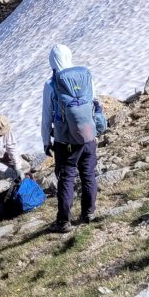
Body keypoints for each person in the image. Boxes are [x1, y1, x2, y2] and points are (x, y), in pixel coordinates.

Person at [40, 44, 99, 233]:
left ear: (52, 61)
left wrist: (45, 141)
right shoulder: (84, 77)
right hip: (88, 137)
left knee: (66, 179)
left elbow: (46, 116)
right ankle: (88, 213)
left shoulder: (51, 85)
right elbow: (95, 103)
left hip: (65, 141)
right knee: (88, 175)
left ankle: (63, 222)